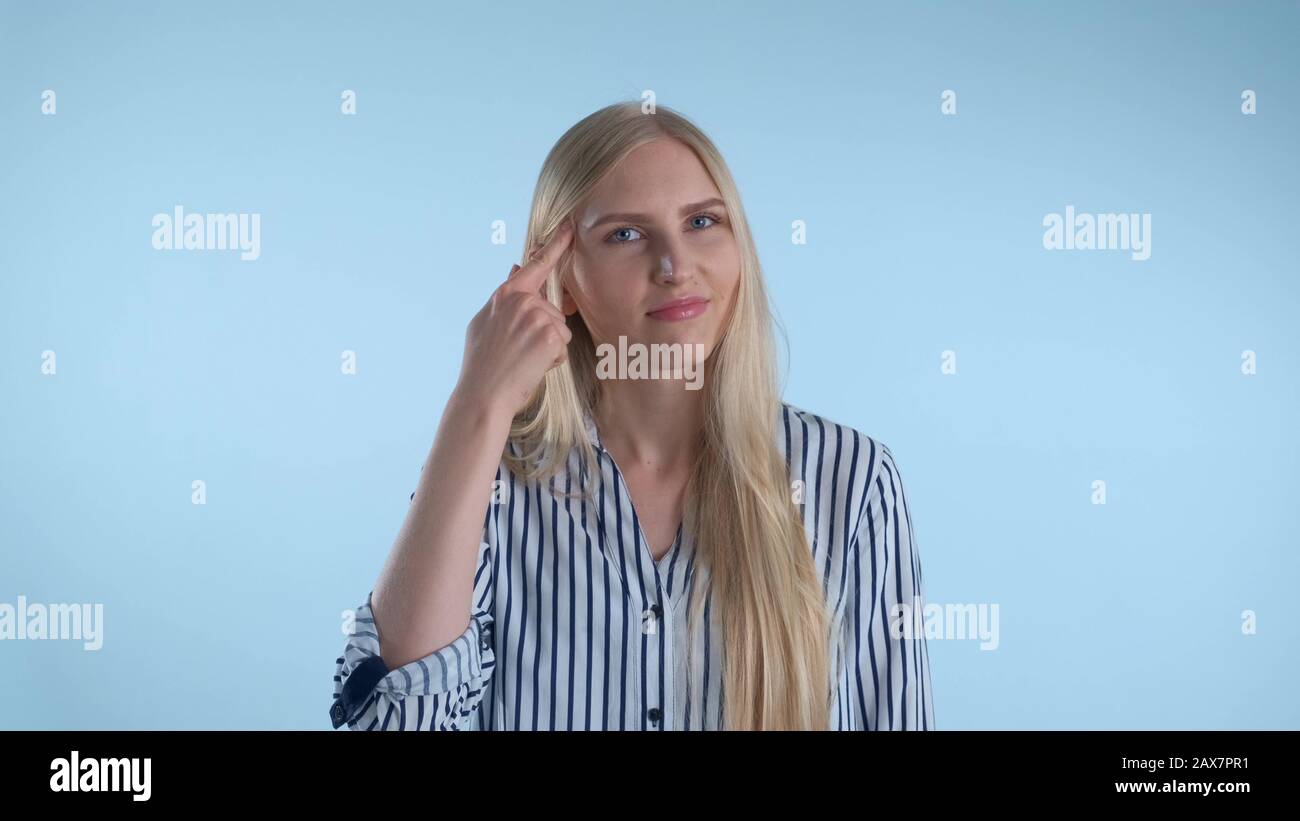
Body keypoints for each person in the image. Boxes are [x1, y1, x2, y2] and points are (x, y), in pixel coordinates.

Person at [329, 101, 934, 731]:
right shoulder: (493, 484)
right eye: (625, 234)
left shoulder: (853, 482)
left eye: (702, 221)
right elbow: (392, 722)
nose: (675, 266)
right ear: (560, 278)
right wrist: (476, 403)